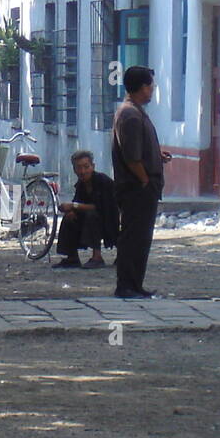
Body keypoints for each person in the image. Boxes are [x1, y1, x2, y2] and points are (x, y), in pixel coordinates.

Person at [111, 66, 171, 298]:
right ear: (143, 87)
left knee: (140, 237)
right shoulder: (130, 115)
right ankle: (126, 285)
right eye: (151, 86)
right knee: (134, 237)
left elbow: (140, 150)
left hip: (140, 185)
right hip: (136, 187)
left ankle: (135, 284)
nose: (152, 91)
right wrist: (145, 179)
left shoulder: (134, 112)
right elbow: (132, 156)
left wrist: (157, 155)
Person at [54, 149, 118, 268]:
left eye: (86, 167)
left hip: (109, 220)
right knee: (69, 217)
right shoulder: (81, 185)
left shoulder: (102, 181)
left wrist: (73, 206)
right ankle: (72, 257)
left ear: (92, 166)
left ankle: (97, 257)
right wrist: (71, 210)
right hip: (91, 219)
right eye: (79, 168)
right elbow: (78, 202)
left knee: (92, 215)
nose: (83, 171)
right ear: (74, 170)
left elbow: (100, 207)